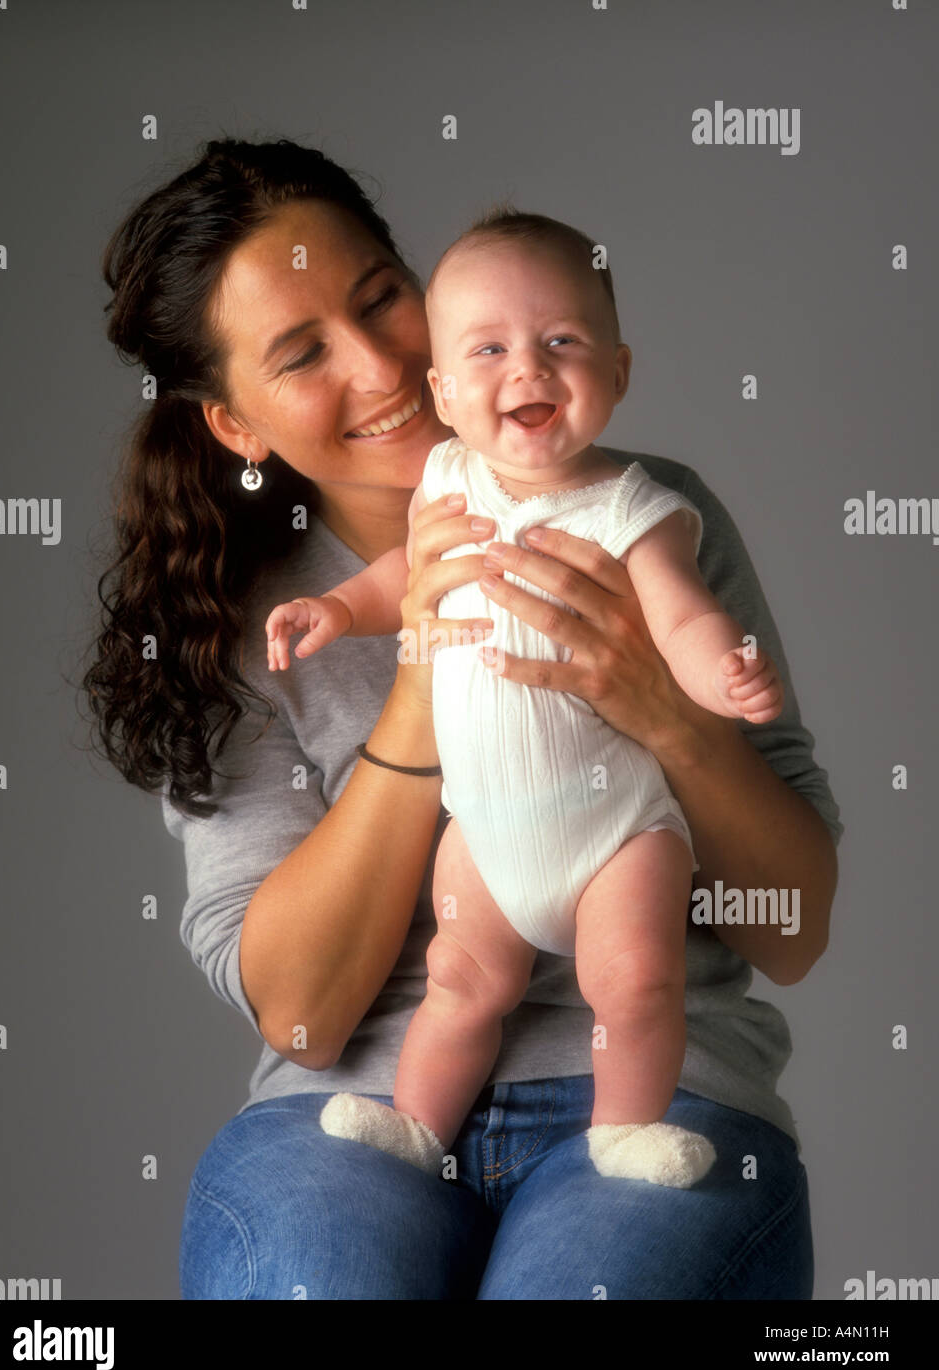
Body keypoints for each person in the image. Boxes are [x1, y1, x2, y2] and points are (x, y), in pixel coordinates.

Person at [85, 136, 843, 1300]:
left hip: (656, 1085)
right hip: (354, 1106)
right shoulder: (238, 619)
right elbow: (299, 1016)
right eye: (300, 354)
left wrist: (671, 715)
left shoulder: (644, 517)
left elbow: (789, 928)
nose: (380, 367)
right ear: (235, 424)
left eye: (380, 296)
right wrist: (419, 671)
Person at [262, 210, 787, 1191]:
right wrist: (338, 607)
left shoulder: (633, 507)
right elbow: (398, 576)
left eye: (562, 344)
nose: (528, 371)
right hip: (485, 830)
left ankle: (623, 1131)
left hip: (615, 832)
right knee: (461, 982)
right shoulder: (447, 477)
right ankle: (416, 1127)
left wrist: (725, 670)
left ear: (618, 374)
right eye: (491, 349)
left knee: (633, 983)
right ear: (445, 391)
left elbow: (680, 617)